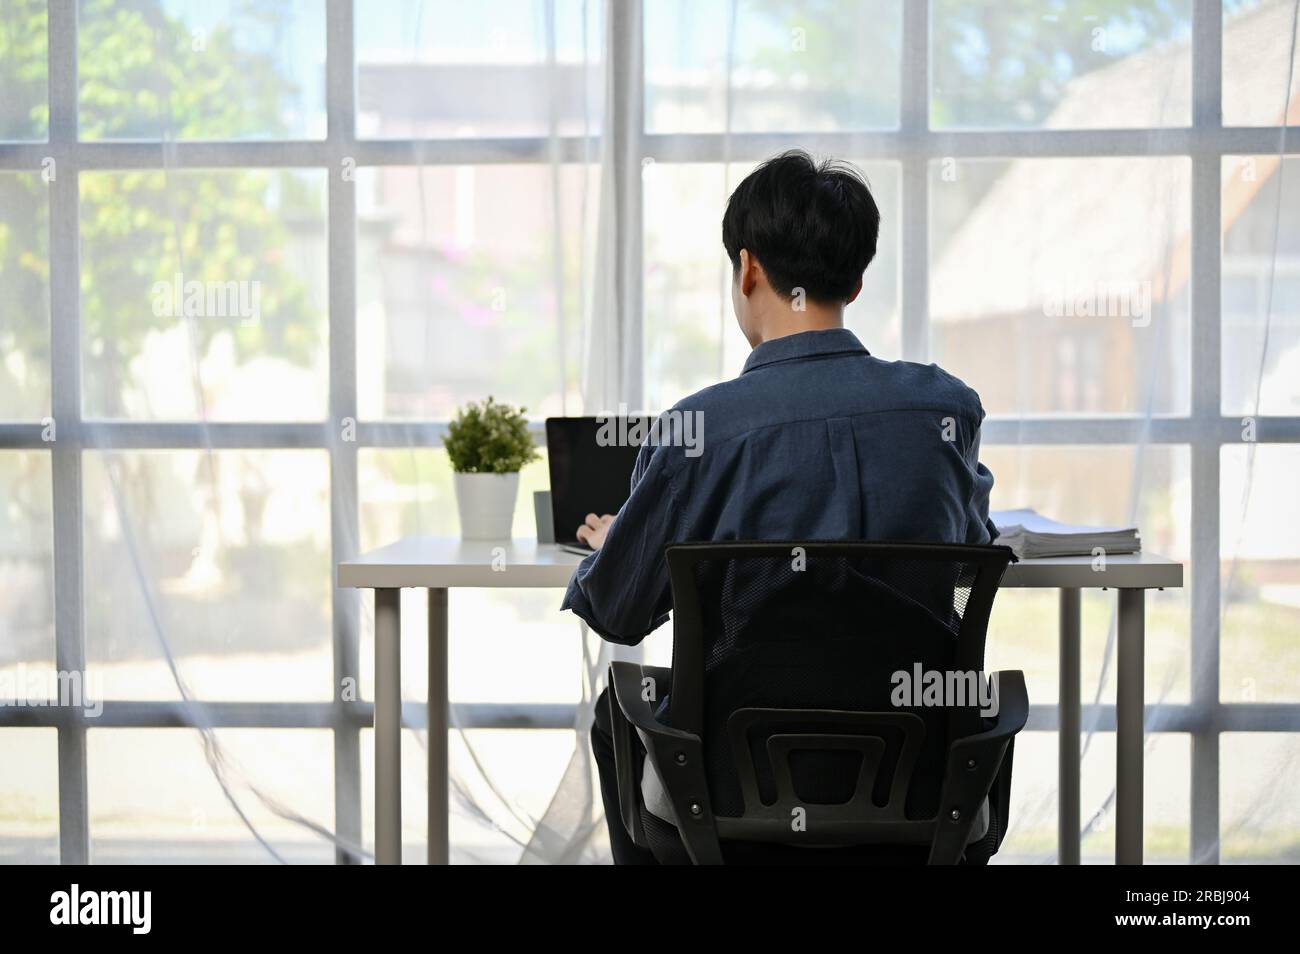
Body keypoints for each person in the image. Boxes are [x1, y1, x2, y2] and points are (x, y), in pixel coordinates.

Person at [561, 149, 997, 864]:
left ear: (748, 269)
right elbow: (964, 550)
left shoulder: (698, 432)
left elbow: (616, 611)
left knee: (620, 710)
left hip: (731, 791)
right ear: (856, 281)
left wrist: (623, 543)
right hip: (918, 786)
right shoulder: (943, 409)